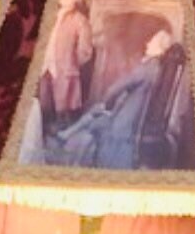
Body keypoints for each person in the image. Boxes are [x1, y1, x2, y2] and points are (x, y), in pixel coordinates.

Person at [50, 29, 176, 171]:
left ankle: (69, 142)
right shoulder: (155, 68)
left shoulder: (145, 69)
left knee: (96, 113)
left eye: (151, 41)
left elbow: (117, 87)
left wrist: (106, 103)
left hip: (122, 124)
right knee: (95, 115)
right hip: (126, 119)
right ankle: (68, 136)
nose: (147, 44)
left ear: (158, 47)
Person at [40, 0, 93, 128]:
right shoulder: (52, 15)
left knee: (62, 111)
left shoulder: (80, 20)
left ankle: (59, 139)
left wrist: (71, 64)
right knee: (42, 105)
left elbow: (86, 51)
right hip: (45, 66)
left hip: (64, 70)